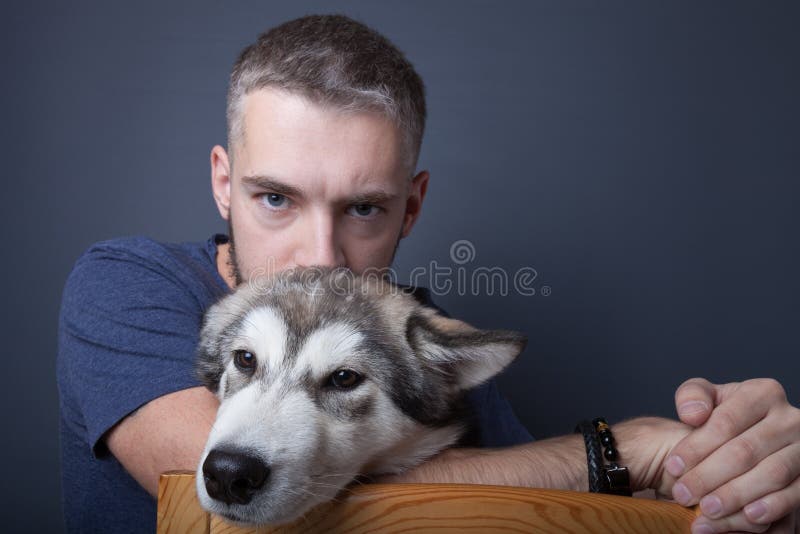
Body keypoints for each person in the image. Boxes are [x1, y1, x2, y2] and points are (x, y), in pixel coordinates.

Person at [57, 14, 799, 534]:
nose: (319, 256)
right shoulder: (128, 283)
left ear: (411, 208)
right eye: (275, 198)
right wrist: (628, 449)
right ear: (225, 183)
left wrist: (727, 472)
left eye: (364, 209)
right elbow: (220, 478)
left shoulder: (416, 332)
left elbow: (518, 505)